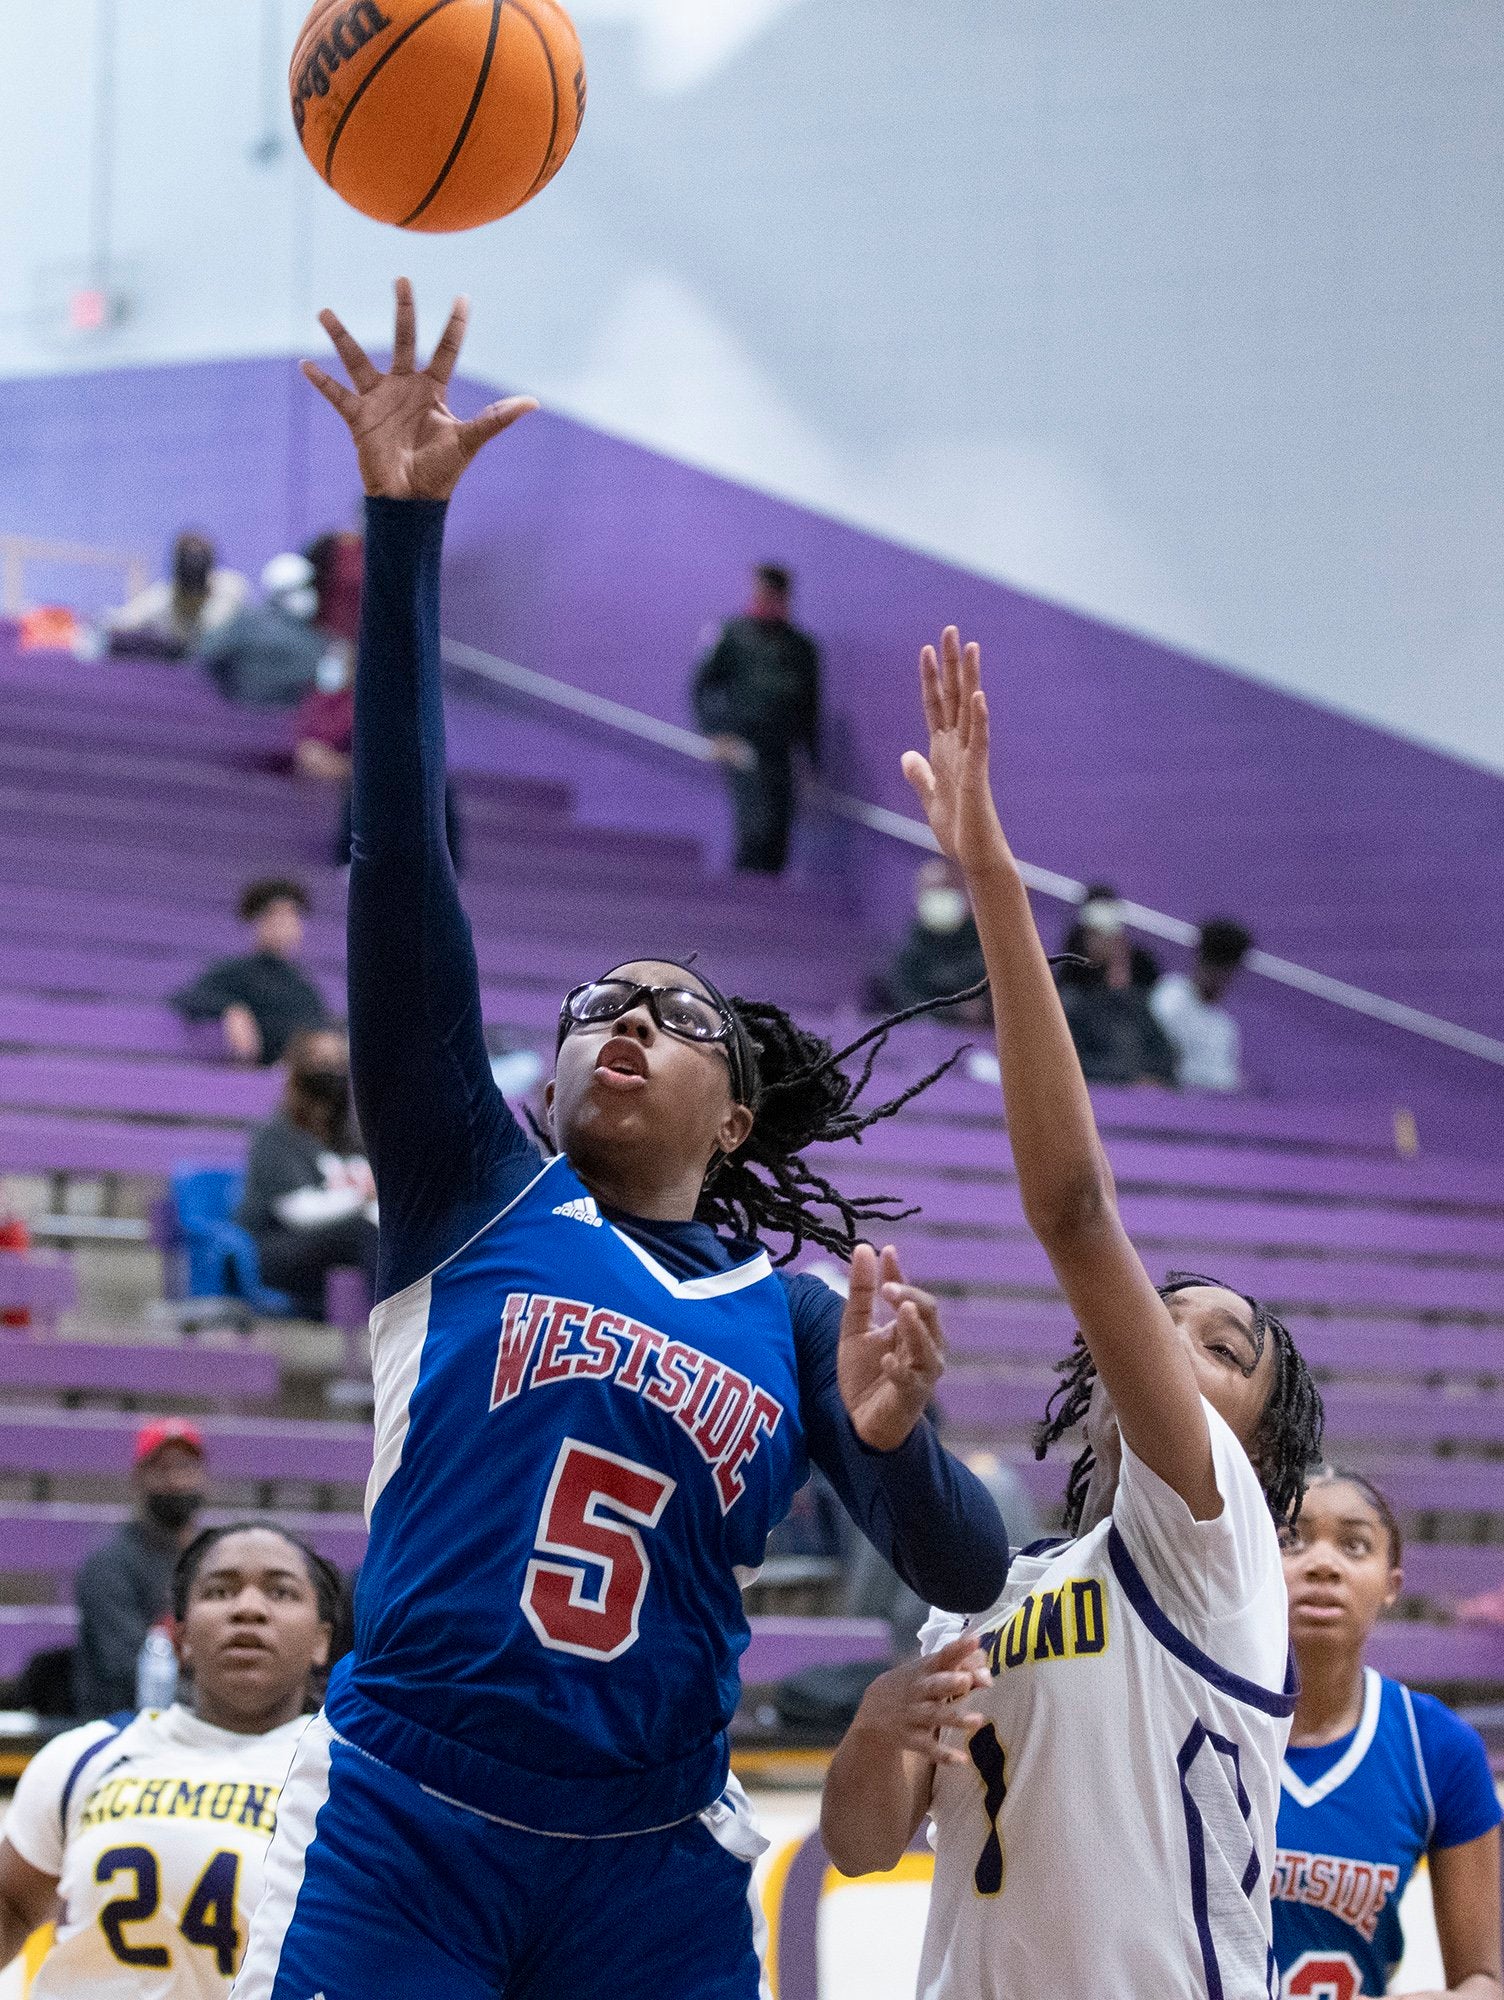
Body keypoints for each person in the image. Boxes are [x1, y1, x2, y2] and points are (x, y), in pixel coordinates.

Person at [232, 281, 1009, 2000]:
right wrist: (405, 531)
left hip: (649, 1860)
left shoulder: (796, 1321)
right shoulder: (463, 1188)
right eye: (594, 1005)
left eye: (670, 1013)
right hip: (406, 1821)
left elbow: (960, 1567)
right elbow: (402, 872)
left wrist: (894, 1437)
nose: (620, 1022)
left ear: (731, 1112)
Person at [819, 627, 1324, 2000]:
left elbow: (1076, 1216)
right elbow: (866, 1848)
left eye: (1221, 1352)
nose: (1168, 1346)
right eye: (1165, 1324)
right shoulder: (997, 1583)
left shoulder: (1218, 1544)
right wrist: (874, 1731)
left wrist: (990, 875)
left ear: (1258, 1449)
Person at [0, 1522, 340, 1997]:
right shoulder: (87, 1755)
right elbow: (13, 1904)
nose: (247, 1609)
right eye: (220, 1590)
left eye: (280, 1592)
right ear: (179, 1637)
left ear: (322, 1640)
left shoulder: (344, 1776)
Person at [1274, 1468, 1503, 1999]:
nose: (1323, 1564)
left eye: (1354, 1546)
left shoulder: (1439, 1749)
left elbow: (1482, 1983)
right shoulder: (1194, 1721)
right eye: (1291, 1541)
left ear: (1391, 1585)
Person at [73, 1421, 209, 1720]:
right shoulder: (109, 1565)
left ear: (203, 1478)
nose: (174, 1480)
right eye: (162, 1469)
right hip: (122, 1728)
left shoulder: (215, 1560)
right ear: (138, 1478)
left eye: (185, 1467)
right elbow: (126, 1667)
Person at [238, 1029, 377, 1319]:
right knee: (367, 1234)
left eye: (340, 1063)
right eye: (322, 1062)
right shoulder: (275, 1137)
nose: (332, 1073)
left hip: (337, 1244)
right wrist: (362, 1198)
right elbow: (300, 1213)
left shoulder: (353, 1135)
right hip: (278, 1247)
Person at [692, 561, 821, 874]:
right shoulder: (732, 634)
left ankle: (767, 912)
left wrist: (813, 765)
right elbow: (702, 686)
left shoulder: (801, 647)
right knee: (754, 829)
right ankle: (743, 908)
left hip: (783, 753)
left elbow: (810, 710)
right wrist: (716, 733)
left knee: (779, 834)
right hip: (744, 747)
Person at [172, 879, 329, 1066]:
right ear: (255, 920)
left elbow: (319, 1024)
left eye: (292, 915)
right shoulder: (235, 971)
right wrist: (232, 1008)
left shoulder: (303, 984)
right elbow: (188, 996)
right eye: (274, 914)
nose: (284, 923)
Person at [1056, 888, 1178, 1085]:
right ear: (1084, 937)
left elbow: (1165, 1057)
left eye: (1112, 936)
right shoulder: (1070, 1002)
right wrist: (1129, 1079)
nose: (1107, 943)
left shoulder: (1136, 1002)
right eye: (1096, 935)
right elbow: (1069, 1063)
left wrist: (1155, 1079)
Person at [199, 554, 330, 710]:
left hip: (286, 722)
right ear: (285, 590)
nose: (312, 594)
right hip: (239, 717)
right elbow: (208, 654)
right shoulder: (247, 621)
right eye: (306, 586)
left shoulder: (314, 637)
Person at [871, 859, 991, 1024]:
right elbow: (908, 1003)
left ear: (964, 893)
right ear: (918, 895)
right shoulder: (908, 948)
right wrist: (955, 1011)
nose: (940, 897)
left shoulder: (987, 943)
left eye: (947, 888)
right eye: (932, 890)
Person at [107, 533, 248, 660]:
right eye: (188, 559)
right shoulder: (161, 598)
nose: (194, 565)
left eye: (199, 558)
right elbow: (120, 621)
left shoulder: (233, 591)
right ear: (177, 567)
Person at [1152, 920, 1254, 1093]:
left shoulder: (1225, 1027)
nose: (1221, 977)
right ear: (1199, 958)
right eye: (1215, 966)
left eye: (1227, 971)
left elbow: (1226, 1081)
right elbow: (1155, 1058)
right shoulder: (1170, 996)